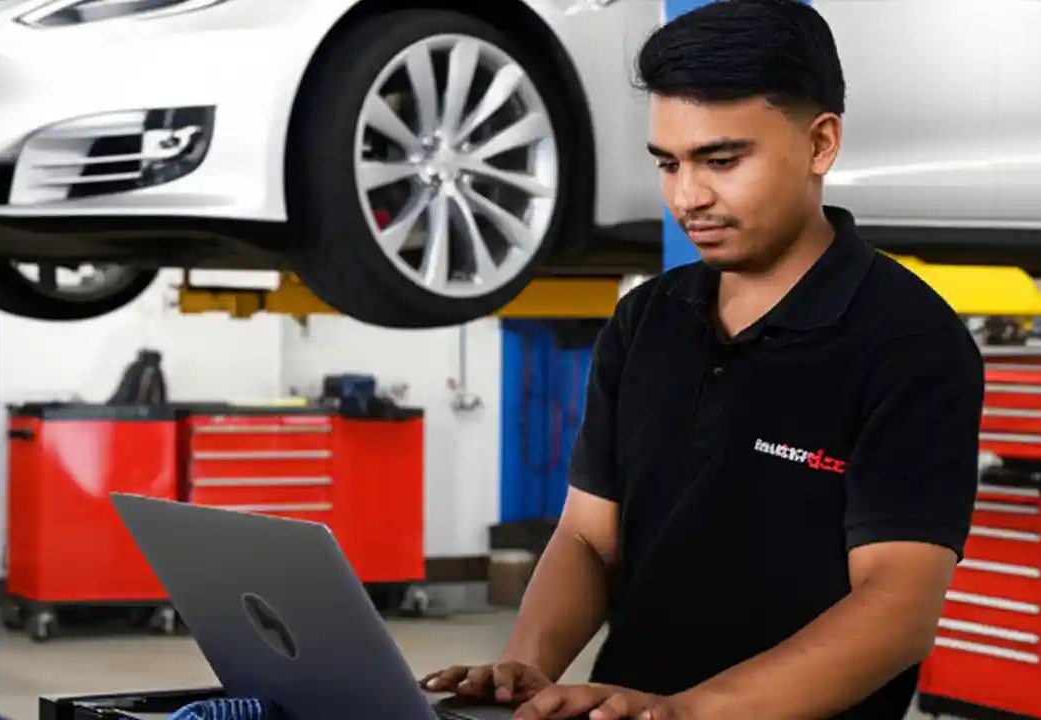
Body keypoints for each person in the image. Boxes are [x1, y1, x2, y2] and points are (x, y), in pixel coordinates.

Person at [420, 1, 985, 718]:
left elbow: (897, 609)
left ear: (820, 144)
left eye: (722, 160)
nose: (689, 197)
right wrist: (523, 671)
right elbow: (591, 539)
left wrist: (689, 712)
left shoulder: (908, 344)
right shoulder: (645, 319)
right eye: (669, 164)